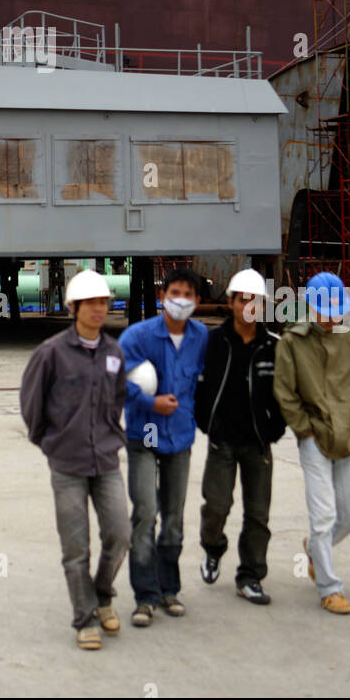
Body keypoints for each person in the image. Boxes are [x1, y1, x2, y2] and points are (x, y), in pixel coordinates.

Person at [19, 270, 129, 650]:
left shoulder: (114, 353)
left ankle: (102, 594)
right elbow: (31, 403)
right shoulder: (50, 353)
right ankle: (84, 617)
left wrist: (110, 435)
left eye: (104, 302)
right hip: (66, 464)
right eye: (92, 303)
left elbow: (117, 399)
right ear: (74, 307)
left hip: (106, 460)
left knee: (120, 533)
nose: (100, 309)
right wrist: (48, 442)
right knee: (75, 547)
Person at [274, 271, 350, 615]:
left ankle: (314, 550)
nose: (333, 318)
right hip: (314, 437)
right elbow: (285, 392)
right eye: (326, 311)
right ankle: (329, 587)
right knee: (324, 515)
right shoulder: (292, 342)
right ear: (311, 308)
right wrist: (305, 431)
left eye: (337, 311)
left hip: (349, 436)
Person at [119, 268, 208, 626]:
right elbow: (115, 379)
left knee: (173, 518)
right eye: (175, 292)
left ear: (197, 301)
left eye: (188, 294)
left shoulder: (202, 337)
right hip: (146, 434)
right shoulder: (138, 336)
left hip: (180, 437)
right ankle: (145, 596)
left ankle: (169, 589)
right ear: (162, 294)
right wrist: (149, 402)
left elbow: (206, 381)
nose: (181, 300)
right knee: (145, 514)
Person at [195, 269, 285, 605]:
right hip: (222, 441)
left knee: (258, 514)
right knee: (216, 506)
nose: (249, 305)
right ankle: (213, 548)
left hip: (258, 443)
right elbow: (200, 387)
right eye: (242, 299)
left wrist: (275, 427)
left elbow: (284, 392)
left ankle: (250, 576)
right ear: (230, 302)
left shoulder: (272, 346)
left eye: (256, 300)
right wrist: (207, 424)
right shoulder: (214, 342)